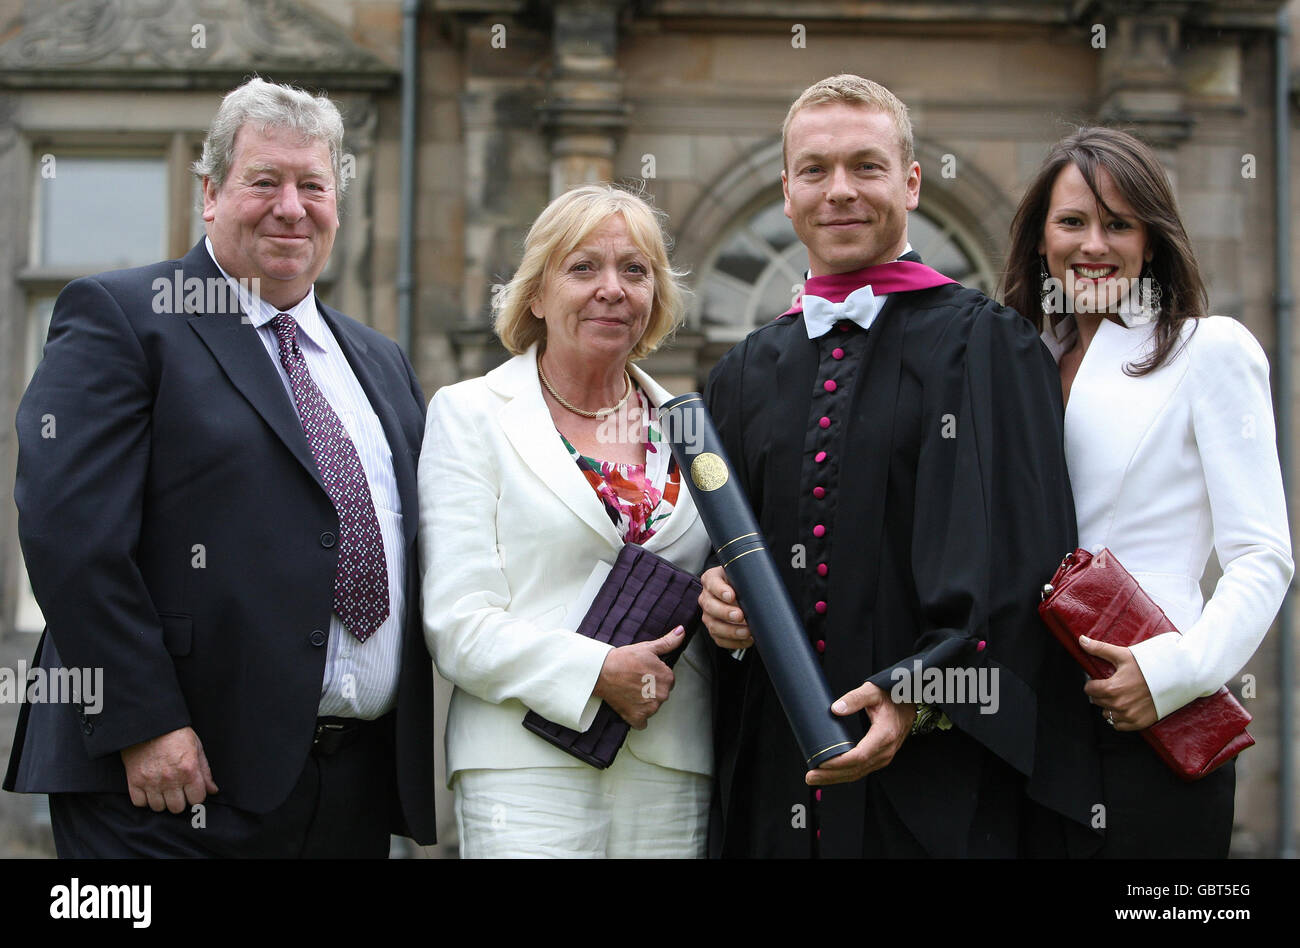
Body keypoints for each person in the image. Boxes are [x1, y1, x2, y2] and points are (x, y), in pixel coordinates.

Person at [5, 77, 436, 857]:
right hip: (170, 786)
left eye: (312, 185)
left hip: (348, 792)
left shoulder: (380, 360)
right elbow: (69, 532)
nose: (291, 206)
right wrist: (145, 722)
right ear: (210, 193)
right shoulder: (123, 318)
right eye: (263, 182)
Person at [698, 74, 1103, 858]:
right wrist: (719, 602)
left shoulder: (990, 347)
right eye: (814, 170)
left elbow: (1026, 572)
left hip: (939, 786)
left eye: (866, 166)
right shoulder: (741, 374)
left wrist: (919, 696)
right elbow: (726, 556)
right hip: (780, 781)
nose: (839, 191)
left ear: (911, 183)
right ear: (786, 191)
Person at [1004, 126, 1293, 857]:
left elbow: (1263, 555)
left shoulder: (1210, 350)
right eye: (1072, 222)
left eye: (1119, 223)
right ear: (1041, 240)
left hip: (1147, 719)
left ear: (1152, 240)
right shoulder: (1017, 361)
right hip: (1022, 726)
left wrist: (1174, 672)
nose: (1093, 243)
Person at [418, 184, 713, 858]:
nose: (611, 288)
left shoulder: (694, 431)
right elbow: (457, 621)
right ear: (535, 295)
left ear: (656, 298)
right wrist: (594, 671)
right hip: (523, 767)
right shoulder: (471, 415)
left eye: (634, 270)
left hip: (672, 765)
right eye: (583, 268)